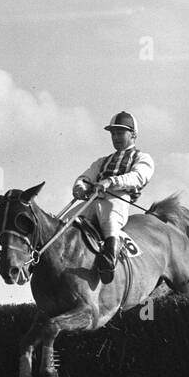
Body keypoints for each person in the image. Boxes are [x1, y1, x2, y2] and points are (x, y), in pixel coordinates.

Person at [71, 111, 155, 282]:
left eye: (120, 133)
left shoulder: (142, 158)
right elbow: (86, 176)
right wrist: (80, 187)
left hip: (118, 199)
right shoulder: (102, 161)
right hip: (94, 199)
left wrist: (110, 182)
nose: (115, 137)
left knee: (110, 220)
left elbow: (138, 177)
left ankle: (109, 261)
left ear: (133, 134)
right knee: (66, 222)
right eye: (113, 133)